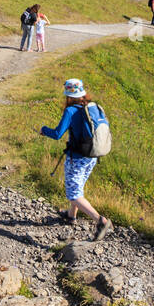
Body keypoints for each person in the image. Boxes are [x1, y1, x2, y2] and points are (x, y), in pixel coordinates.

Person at [40, 78, 112, 240]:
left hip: (77, 158)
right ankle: (71, 216)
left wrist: (44, 130)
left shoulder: (71, 111)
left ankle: (100, 221)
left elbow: (58, 134)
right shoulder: (92, 107)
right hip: (92, 156)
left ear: (68, 95)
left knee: (73, 194)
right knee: (77, 187)